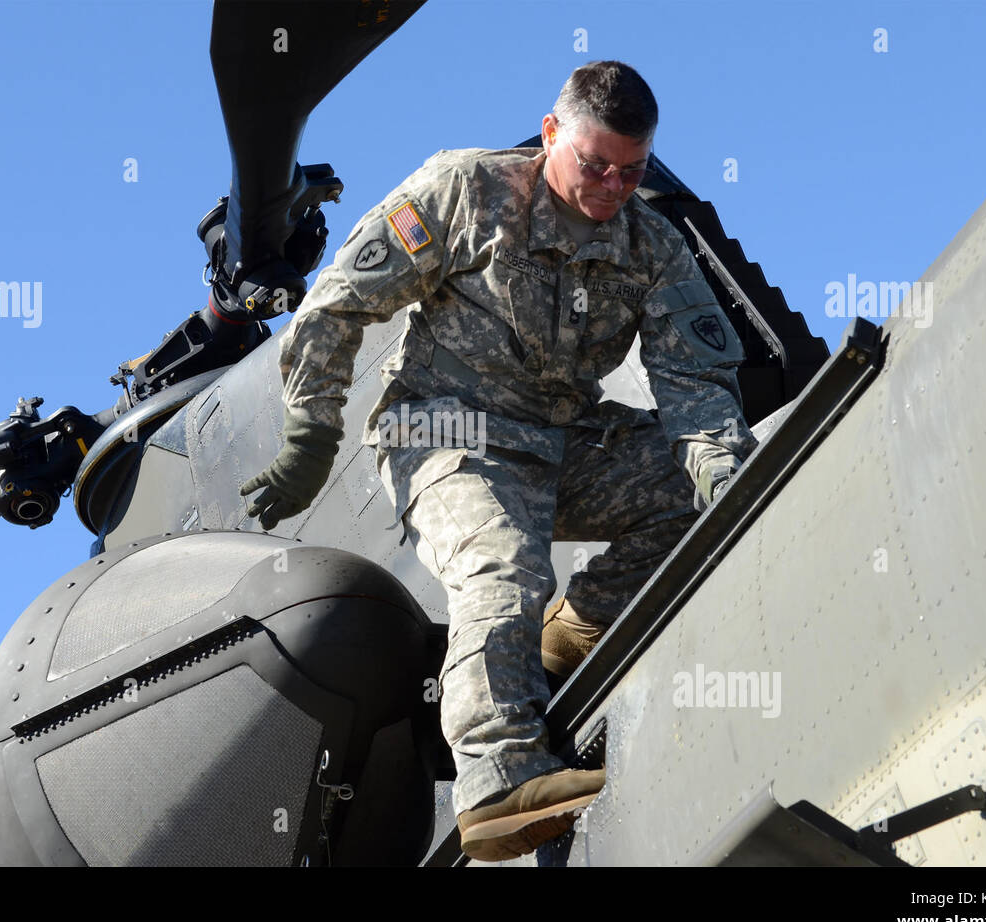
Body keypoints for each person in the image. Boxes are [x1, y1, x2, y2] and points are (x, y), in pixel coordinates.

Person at [240, 61, 757, 862]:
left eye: (632, 170)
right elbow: (339, 300)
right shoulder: (465, 192)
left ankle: (570, 638)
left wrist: (725, 474)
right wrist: (310, 437)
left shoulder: (652, 246)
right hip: (446, 433)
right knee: (503, 565)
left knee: (697, 490)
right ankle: (497, 779)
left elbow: (693, 383)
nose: (613, 186)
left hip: (562, 436)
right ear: (551, 134)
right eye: (595, 165)